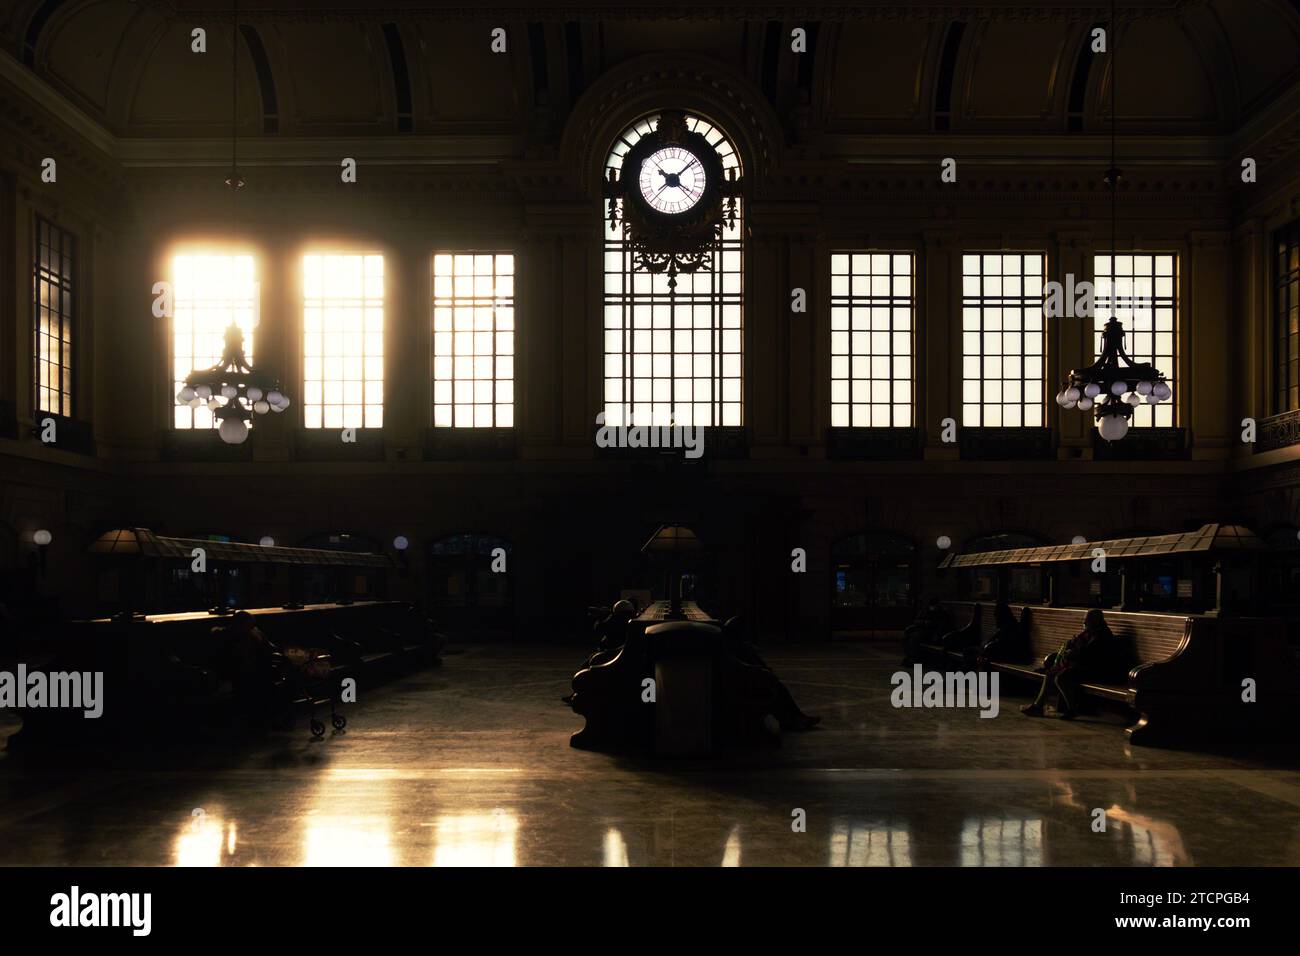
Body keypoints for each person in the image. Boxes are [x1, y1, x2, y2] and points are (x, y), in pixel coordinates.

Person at [1021, 608, 1131, 719]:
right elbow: (1078, 647)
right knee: (1051, 674)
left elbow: (1089, 655)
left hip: (1100, 671)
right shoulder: (1090, 632)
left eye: (1087, 620)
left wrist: (1074, 650)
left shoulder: (1103, 635)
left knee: (1062, 677)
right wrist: (1071, 646)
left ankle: (1072, 709)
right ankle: (1038, 706)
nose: (1084, 623)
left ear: (1095, 621)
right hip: (1085, 667)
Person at [722, 616, 820, 732]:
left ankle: (795, 717)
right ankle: (793, 719)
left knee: (778, 688)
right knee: (776, 689)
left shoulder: (738, 646)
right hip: (747, 680)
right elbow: (742, 666)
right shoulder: (737, 647)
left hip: (751, 677)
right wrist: (761, 671)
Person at [902, 599, 954, 666]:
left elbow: (941, 625)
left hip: (932, 632)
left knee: (915, 638)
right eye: (932, 606)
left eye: (934, 606)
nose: (933, 608)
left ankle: (915, 659)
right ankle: (910, 657)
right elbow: (916, 620)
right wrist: (924, 623)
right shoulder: (925, 610)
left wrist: (935, 631)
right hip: (924, 630)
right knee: (908, 637)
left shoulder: (941, 613)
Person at [975, 601, 1026, 667]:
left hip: (1010, 655)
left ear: (1001, 615)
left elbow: (1005, 645)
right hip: (1006, 653)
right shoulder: (1007, 624)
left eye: (996, 613)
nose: (994, 615)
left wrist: (985, 650)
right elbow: (993, 639)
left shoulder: (1009, 627)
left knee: (984, 655)